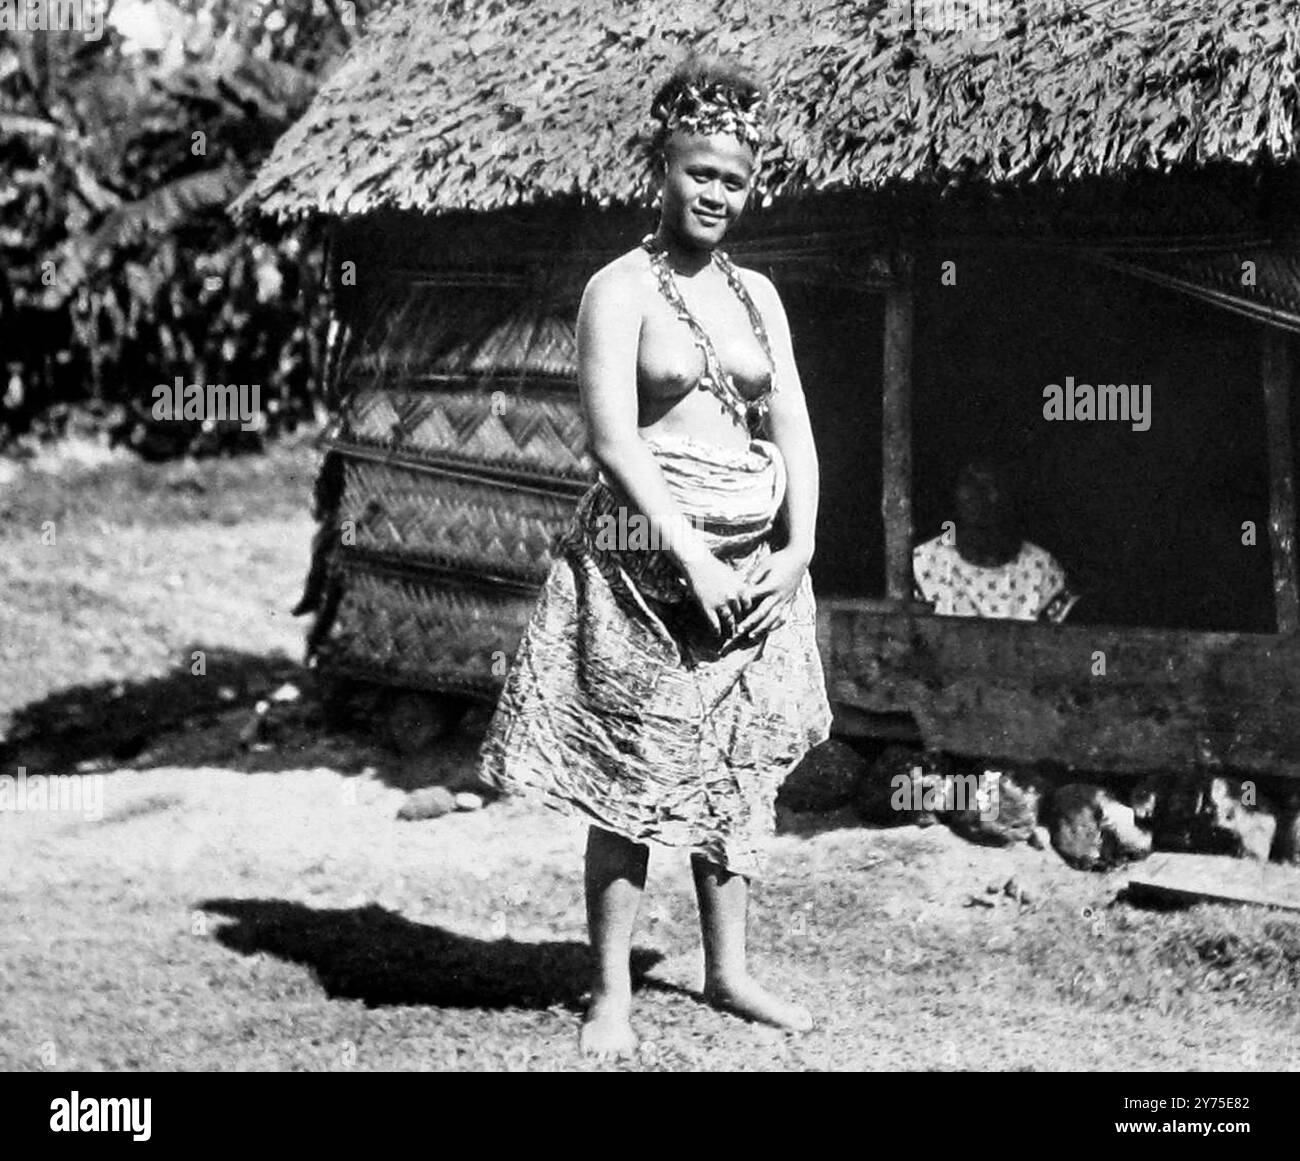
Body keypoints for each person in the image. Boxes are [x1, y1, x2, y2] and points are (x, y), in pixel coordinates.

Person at [478, 56, 831, 1058]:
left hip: (753, 564)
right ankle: (608, 996)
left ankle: (728, 972)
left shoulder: (758, 296)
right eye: (698, 173)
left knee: (734, 774)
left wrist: (797, 547)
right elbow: (613, 443)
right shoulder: (618, 290)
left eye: (733, 178)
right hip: (643, 570)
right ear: (659, 169)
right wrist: (691, 558)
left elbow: (794, 425)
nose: (716, 194)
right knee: (631, 778)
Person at [912, 459, 1079, 623]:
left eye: (991, 484)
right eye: (970, 483)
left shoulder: (1042, 568)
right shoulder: (925, 563)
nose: (979, 496)